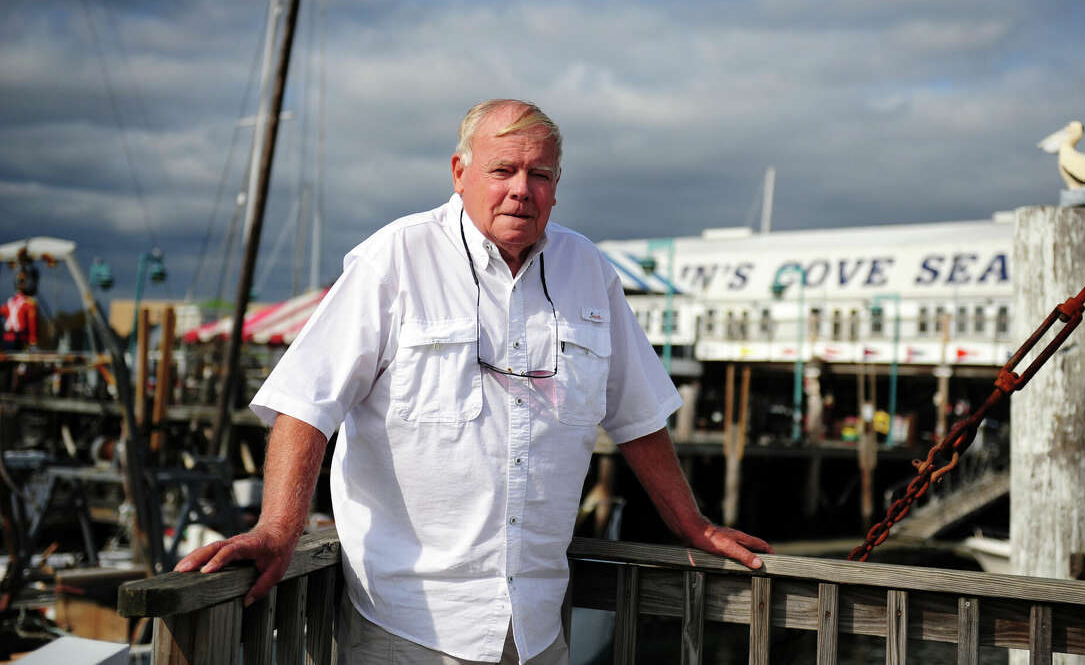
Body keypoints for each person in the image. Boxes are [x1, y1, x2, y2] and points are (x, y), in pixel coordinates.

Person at [177, 99, 773, 664]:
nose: (522, 189)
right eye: (503, 170)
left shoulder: (590, 271)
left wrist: (692, 524)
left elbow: (638, 417)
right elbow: (305, 404)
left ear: (557, 185)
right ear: (460, 173)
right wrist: (278, 530)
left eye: (540, 174)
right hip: (406, 626)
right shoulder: (395, 258)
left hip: (537, 629)